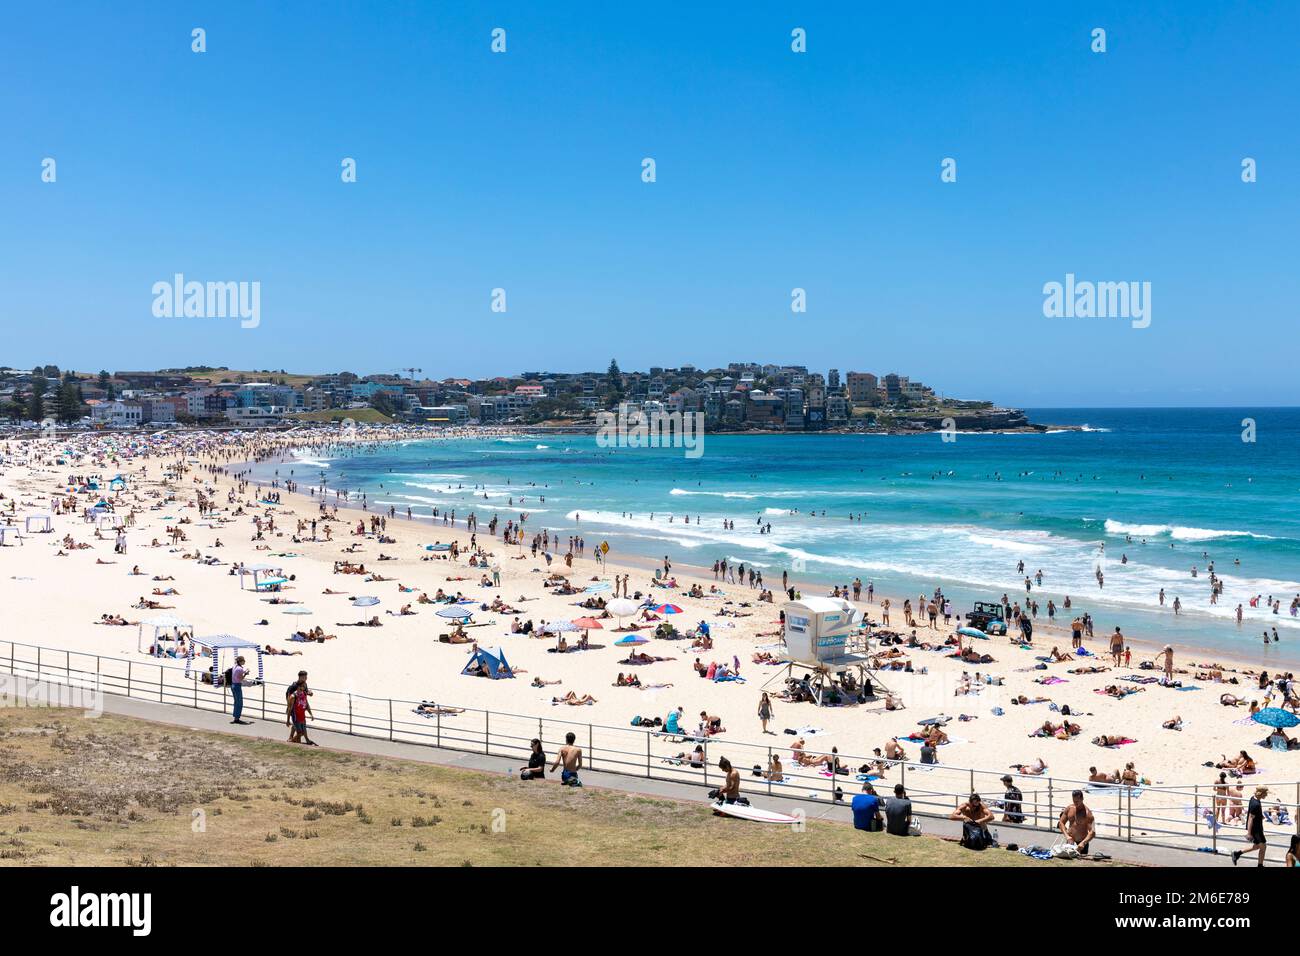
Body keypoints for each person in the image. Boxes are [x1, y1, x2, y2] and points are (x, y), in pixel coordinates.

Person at [1233, 786, 1269, 866]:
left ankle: (1237, 854)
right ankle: (1260, 865)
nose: (1266, 795)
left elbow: (1253, 813)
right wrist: (1249, 833)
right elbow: (1250, 818)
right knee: (1263, 846)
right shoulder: (1255, 804)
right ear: (1261, 793)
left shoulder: (1253, 798)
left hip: (1257, 828)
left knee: (1257, 846)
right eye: (1265, 793)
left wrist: (1260, 815)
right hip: (1256, 829)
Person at [1059, 790, 1096, 855]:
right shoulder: (1069, 808)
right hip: (1070, 841)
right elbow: (1061, 822)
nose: (1075, 803)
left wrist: (1083, 842)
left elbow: (1092, 832)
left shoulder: (1088, 813)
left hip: (1081, 843)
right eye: (1074, 801)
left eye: (1077, 801)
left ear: (1082, 799)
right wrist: (1067, 836)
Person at [286, 679, 315, 745]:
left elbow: (306, 704)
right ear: (299, 686)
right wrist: (287, 721)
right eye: (304, 686)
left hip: (302, 716)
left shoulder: (304, 693)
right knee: (300, 733)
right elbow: (289, 709)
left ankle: (297, 744)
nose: (305, 688)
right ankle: (291, 742)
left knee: (303, 732)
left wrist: (311, 714)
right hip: (296, 717)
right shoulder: (293, 696)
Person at [229, 654, 248, 725]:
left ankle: (235, 716)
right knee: (239, 703)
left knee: (236, 702)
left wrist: (244, 672)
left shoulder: (235, 666)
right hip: (237, 686)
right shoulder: (240, 668)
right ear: (241, 661)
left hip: (232, 685)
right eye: (243, 661)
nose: (244, 662)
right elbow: (241, 678)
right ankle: (237, 718)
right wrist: (245, 674)